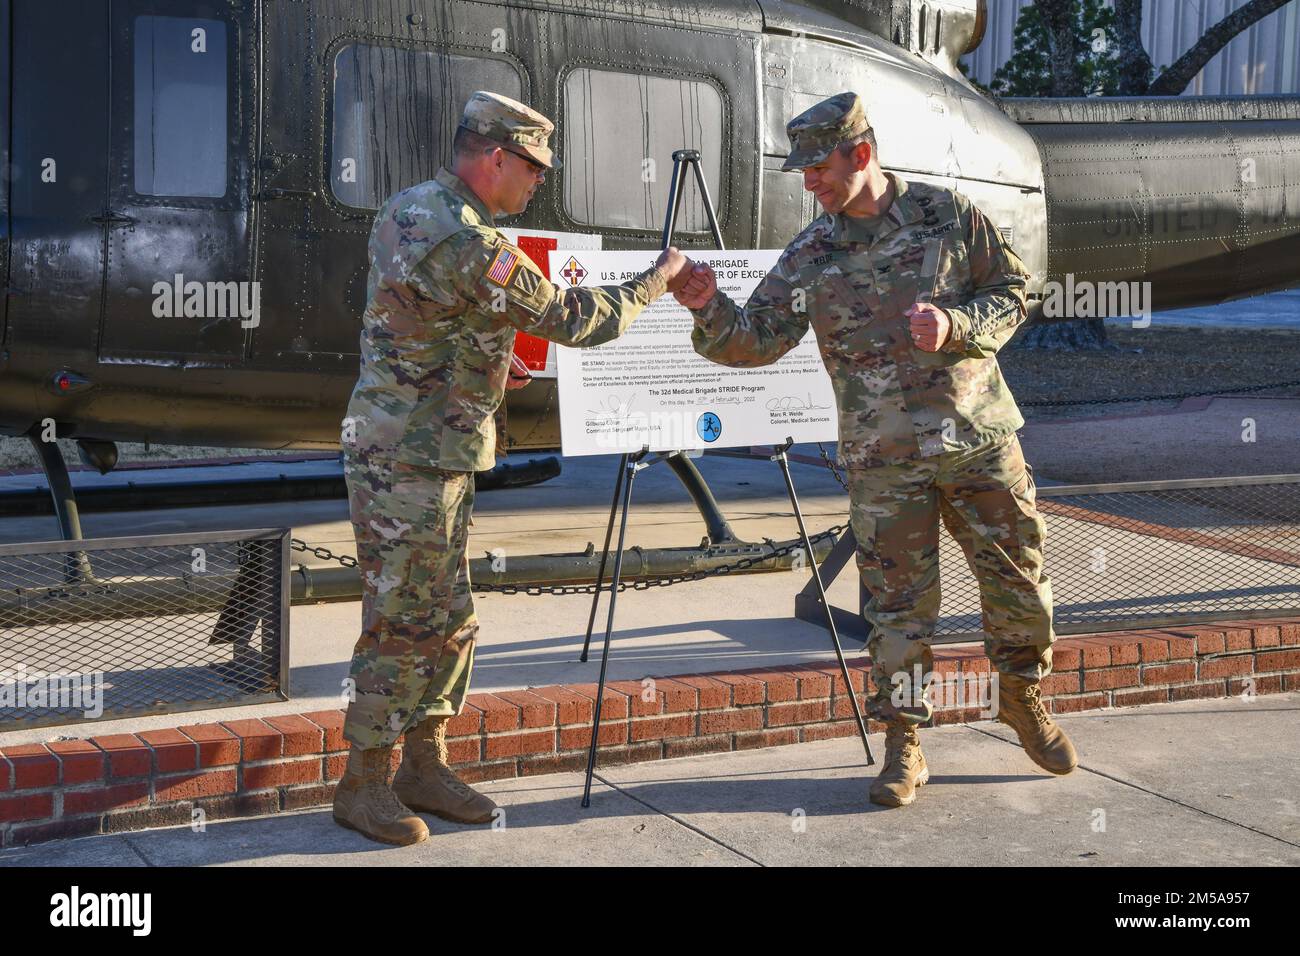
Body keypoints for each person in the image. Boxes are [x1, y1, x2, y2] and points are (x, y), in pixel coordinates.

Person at [675, 91, 1077, 808]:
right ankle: (904, 743)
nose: (809, 182)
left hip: (978, 441)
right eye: (801, 171)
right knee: (898, 614)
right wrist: (707, 305)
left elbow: (1018, 288)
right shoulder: (812, 251)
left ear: (860, 153)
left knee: (1021, 588)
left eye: (818, 167)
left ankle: (1021, 697)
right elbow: (756, 338)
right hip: (883, 461)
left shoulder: (946, 215)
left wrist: (956, 324)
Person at [336, 91, 690, 844]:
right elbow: (576, 319)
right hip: (413, 459)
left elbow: (419, 317)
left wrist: (486, 360)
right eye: (532, 169)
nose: (537, 184)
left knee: (448, 619)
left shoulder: (411, 206)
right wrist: (659, 277)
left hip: (422, 448)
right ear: (496, 158)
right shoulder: (469, 240)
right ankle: (362, 783)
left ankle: (421, 765)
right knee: (402, 622)